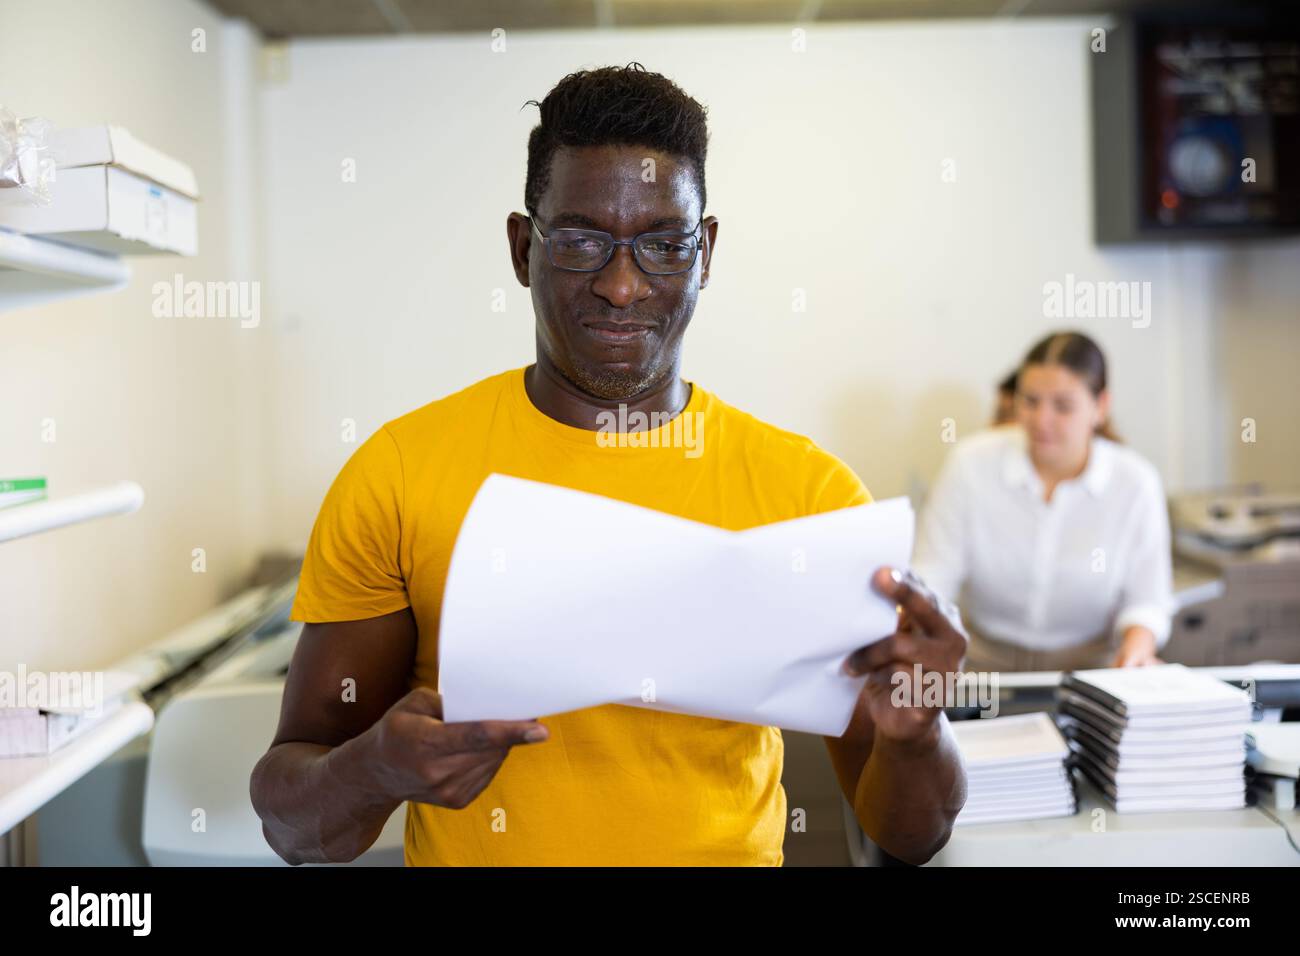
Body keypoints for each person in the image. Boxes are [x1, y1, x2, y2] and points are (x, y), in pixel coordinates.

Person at [249, 63, 967, 867]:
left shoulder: (809, 494)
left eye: (663, 245)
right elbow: (295, 825)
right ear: (524, 248)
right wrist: (374, 768)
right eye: (583, 240)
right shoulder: (399, 473)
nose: (623, 287)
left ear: (706, 253)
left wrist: (916, 731)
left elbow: (913, 836)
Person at [912, 331, 1173, 672]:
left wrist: (1137, 648)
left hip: (1090, 669)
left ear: (1100, 407)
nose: (1041, 421)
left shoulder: (1135, 483)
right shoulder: (970, 464)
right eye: (1030, 401)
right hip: (981, 665)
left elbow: (1148, 601)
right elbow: (933, 575)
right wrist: (917, 640)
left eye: (1062, 406)